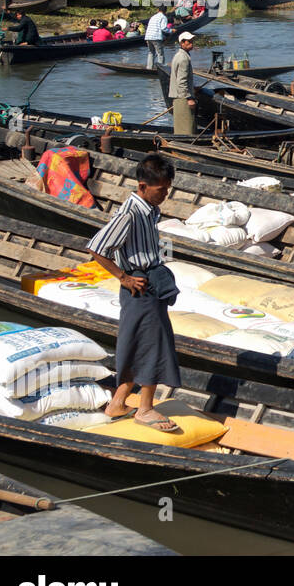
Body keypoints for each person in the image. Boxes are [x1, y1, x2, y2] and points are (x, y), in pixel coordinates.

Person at [88, 154, 182, 433]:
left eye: (167, 189)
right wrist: (124, 277)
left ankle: (117, 403)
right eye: (160, 190)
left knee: (136, 343)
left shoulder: (149, 209)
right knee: (153, 345)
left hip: (151, 282)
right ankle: (145, 408)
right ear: (143, 186)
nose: (165, 195)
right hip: (139, 286)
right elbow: (96, 248)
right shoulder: (130, 213)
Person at [168, 31, 197, 135]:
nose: (191, 43)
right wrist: (189, 98)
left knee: (182, 127)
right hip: (182, 97)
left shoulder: (180, 55)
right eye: (189, 41)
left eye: (192, 41)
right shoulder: (183, 58)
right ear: (182, 43)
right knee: (186, 129)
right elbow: (181, 81)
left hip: (179, 96)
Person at [144, 4, 169, 70]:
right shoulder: (163, 17)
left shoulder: (153, 17)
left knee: (151, 52)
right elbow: (164, 28)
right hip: (156, 37)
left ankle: (149, 68)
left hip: (148, 37)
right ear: (165, 11)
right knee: (160, 54)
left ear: (158, 10)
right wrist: (171, 30)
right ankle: (161, 69)